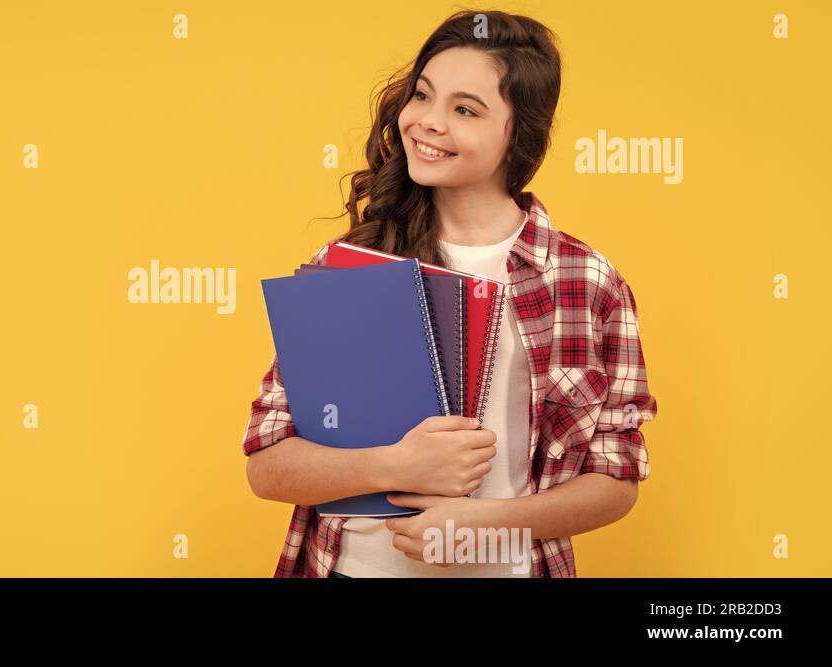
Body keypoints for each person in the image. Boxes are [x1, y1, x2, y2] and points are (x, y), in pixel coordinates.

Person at [242, 9, 657, 578]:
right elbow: (268, 465)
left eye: (465, 109)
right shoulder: (347, 268)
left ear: (520, 135)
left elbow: (617, 479)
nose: (427, 122)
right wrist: (397, 465)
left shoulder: (587, 281)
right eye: (422, 95)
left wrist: (488, 524)